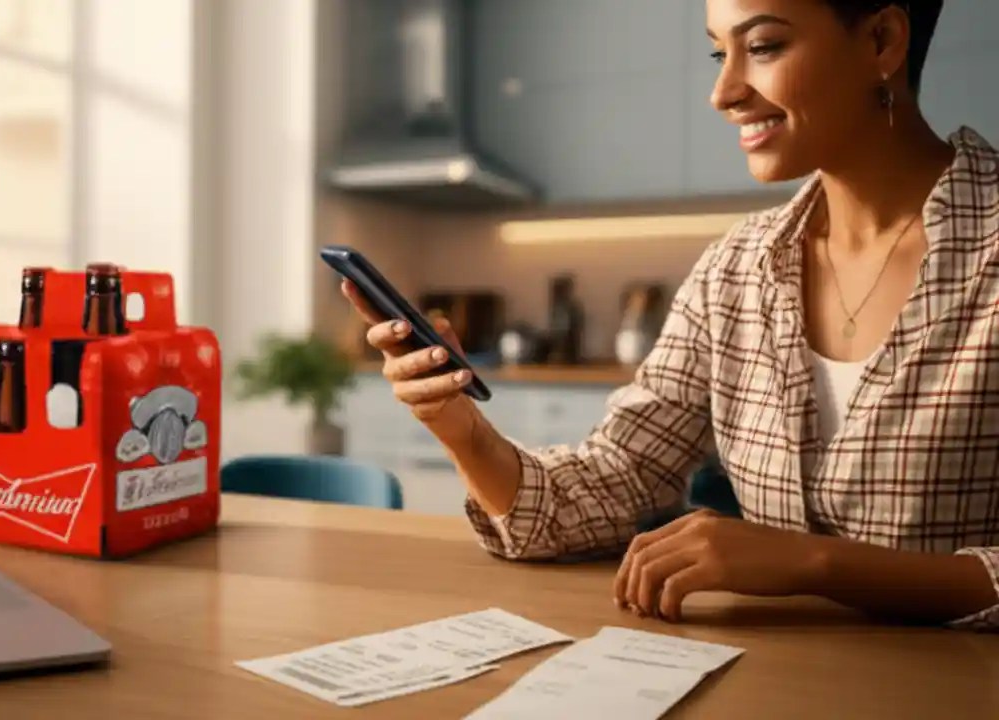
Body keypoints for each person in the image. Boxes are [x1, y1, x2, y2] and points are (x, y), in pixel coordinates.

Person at [341, 0, 999, 630]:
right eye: (719, 53)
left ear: (882, 41)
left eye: (763, 46)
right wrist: (460, 426)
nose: (723, 92)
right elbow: (616, 480)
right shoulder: (733, 271)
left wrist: (816, 564)